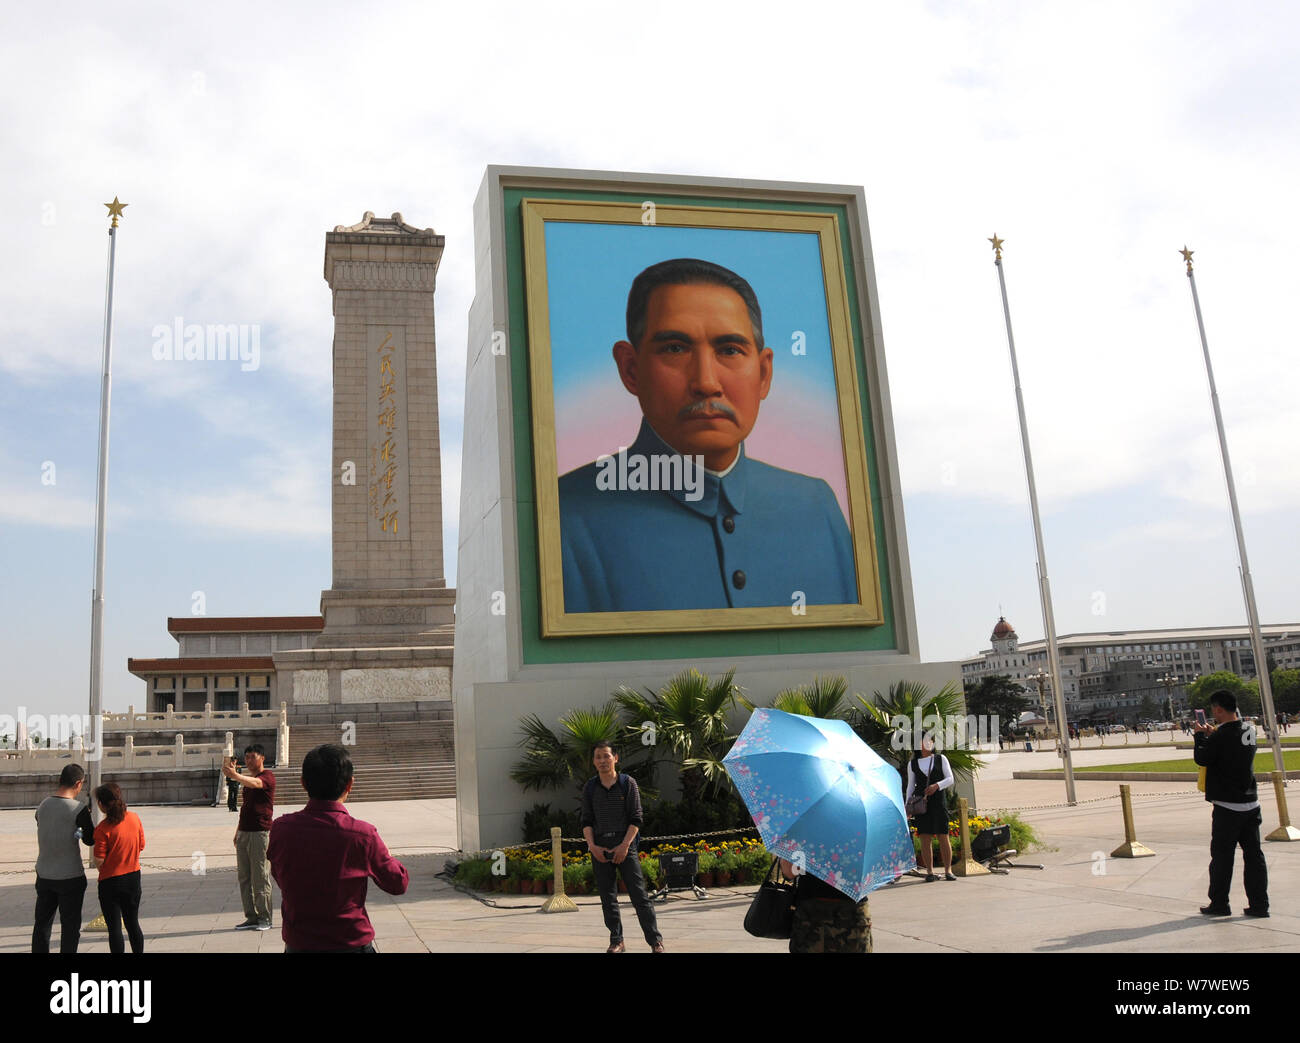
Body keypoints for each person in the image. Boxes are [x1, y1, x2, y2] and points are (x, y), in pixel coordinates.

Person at [558, 258, 857, 613]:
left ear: (763, 374)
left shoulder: (817, 506)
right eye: (675, 349)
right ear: (631, 369)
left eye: (730, 351)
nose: (706, 383)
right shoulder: (564, 515)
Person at [268, 744, 408, 953]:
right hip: (349, 942)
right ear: (349, 784)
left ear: (303, 783)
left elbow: (279, 875)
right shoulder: (363, 834)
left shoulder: (281, 829)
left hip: (300, 944)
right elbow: (397, 883)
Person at [581, 741, 664, 953]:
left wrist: (624, 846)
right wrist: (592, 846)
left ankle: (655, 941)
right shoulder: (590, 787)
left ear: (615, 758)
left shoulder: (628, 783)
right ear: (594, 761)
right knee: (608, 899)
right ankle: (616, 940)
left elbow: (636, 819)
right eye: (598, 757)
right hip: (600, 847)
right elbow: (586, 821)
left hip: (625, 845)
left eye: (606, 756)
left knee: (639, 896)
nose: (602, 761)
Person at [1193, 690, 1268, 917]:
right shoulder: (1250, 729)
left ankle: (1219, 903)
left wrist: (1200, 737)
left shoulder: (1219, 736)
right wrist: (1214, 734)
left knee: (1222, 857)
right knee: (1254, 856)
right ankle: (1259, 905)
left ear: (1217, 709)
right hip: (1250, 802)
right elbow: (1232, 745)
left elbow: (1202, 758)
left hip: (1228, 805)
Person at [32, 763, 96, 953]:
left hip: (44, 874)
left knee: (42, 925)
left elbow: (43, 822)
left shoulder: (43, 805)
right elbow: (90, 840)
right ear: (78, 783)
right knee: (69, 927)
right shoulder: (78, 808)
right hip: (70, 876)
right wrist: (83, 825)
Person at [223, 743, 275, 930]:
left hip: (259, 833)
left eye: (252, 756)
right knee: (244, 877)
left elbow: (257, 784)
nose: (248, 760)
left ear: (262, 758)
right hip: (245, 832)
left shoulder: (267, 777)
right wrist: (238, 831)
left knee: (260, 877)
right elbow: (245, 808)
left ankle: (265, 918)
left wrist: (234, 775)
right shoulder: (247, 781)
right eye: (246, 757)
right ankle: (251, 916)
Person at [91, 782, 146, 953]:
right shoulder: (134, 818)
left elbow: (99, 859)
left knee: (114, 928)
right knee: (132, 924)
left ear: (101, 804)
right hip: (133, 877)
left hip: (110, 882)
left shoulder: (102, 829)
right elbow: (142, 845)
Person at [778, 858, 871, 953]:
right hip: (854, 915)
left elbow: (789, 871)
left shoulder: (806, 842)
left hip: (812, 915)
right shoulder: (864, 843)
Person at [906, 733, 955, 882]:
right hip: (921, 804)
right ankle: (929, 872)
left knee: (943, 835)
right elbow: (910, 786)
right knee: (925, 837)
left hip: (939, 802)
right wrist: (907, 807)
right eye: (924, 741)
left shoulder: (941, 759)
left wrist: (937, 786)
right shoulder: (912, 764)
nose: (928, 743)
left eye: (930, 740)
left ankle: (948, 870)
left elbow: (950, 779)